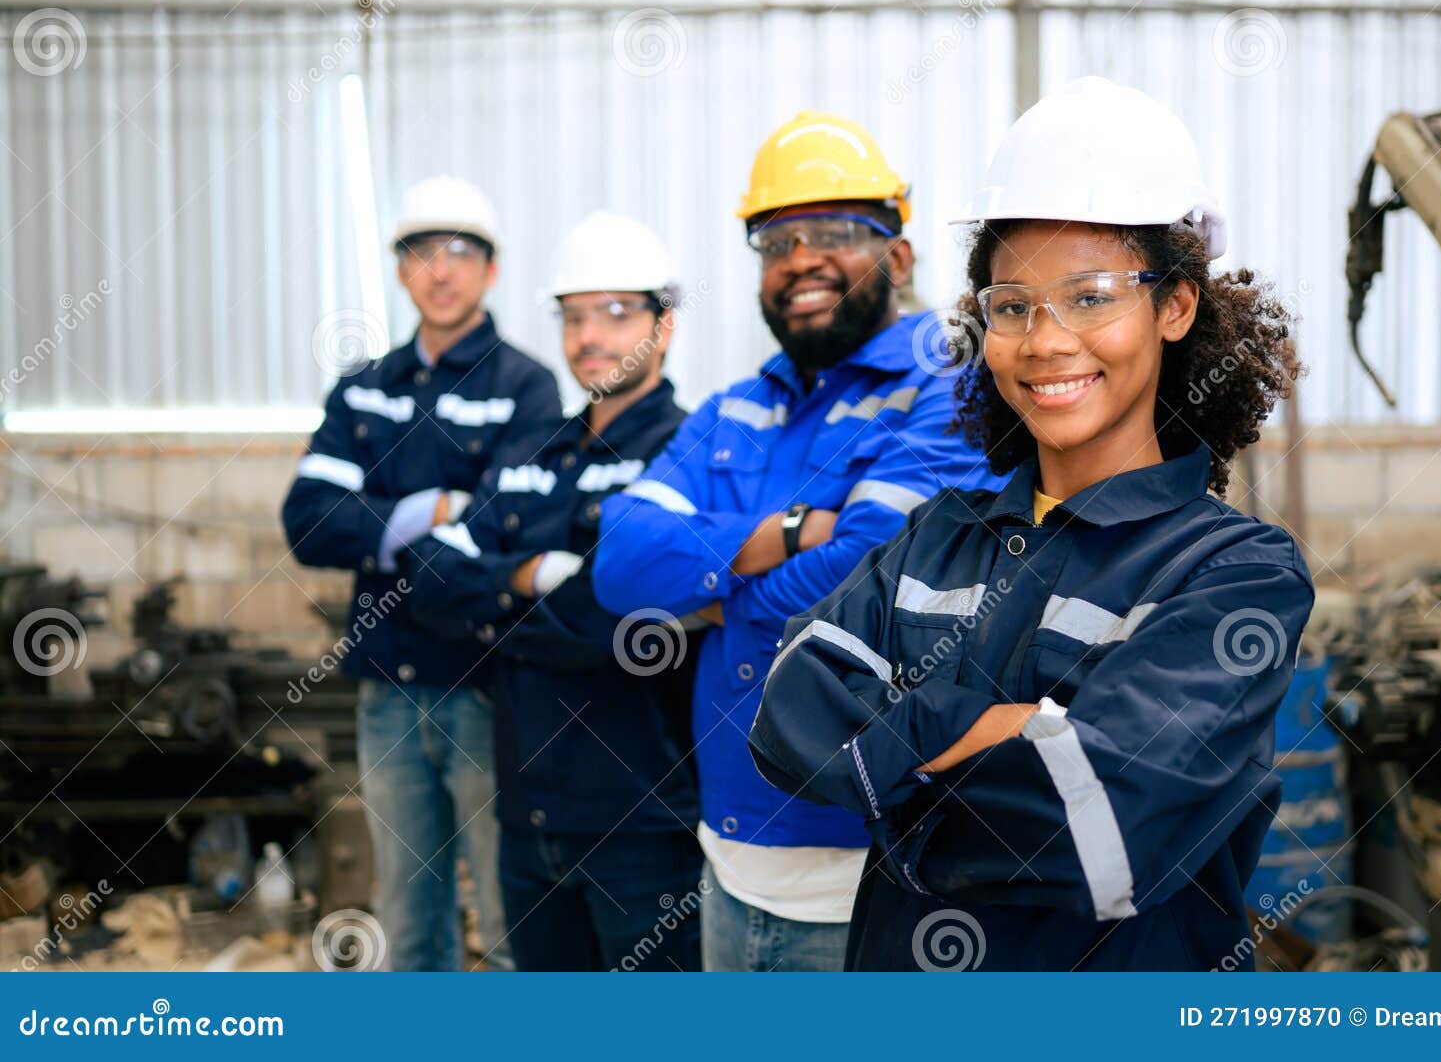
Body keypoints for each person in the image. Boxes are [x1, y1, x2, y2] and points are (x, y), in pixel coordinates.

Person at [750, 77, 1315, 971]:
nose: (1045, 340)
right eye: (1012, 306)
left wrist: (892, 764)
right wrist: (1004, 728)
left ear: (1175, 306)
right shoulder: (939, 532)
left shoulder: (1234, 573)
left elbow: (1103, 833)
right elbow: (788, 717)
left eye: (1091, 296)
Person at [592, 111, 1002, 971]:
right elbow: (621, 562)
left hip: (872, 870)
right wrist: (786, 532)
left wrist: (713, 590)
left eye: (836, 233)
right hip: (729, 863)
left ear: (897, 255)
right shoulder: (732, 407)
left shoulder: (950, 385)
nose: (802, 259)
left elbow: (868, 579)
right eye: (778, 242)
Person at [401, 211, 702, 971]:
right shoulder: (536, 454)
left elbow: (615, 624)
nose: (588, 337)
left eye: (613, 313)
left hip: (642, 827)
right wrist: (535, 578)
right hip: (529, 822)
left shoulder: (692, 452)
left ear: (662, 327)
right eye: (572, 317)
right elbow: (429, 581)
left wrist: (498, 604)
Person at [282, 176, 561, 971]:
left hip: (487, 693)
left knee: (509, 923)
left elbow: (507, 530)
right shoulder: (365, 388)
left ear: (491, 269)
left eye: (460, 252)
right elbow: (306, 522)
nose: (440, 270)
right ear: (402, 270)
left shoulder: (527, 388)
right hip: (388, 697)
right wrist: (427, 510)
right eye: (421, 252)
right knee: (410, 924)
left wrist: (376, 517)